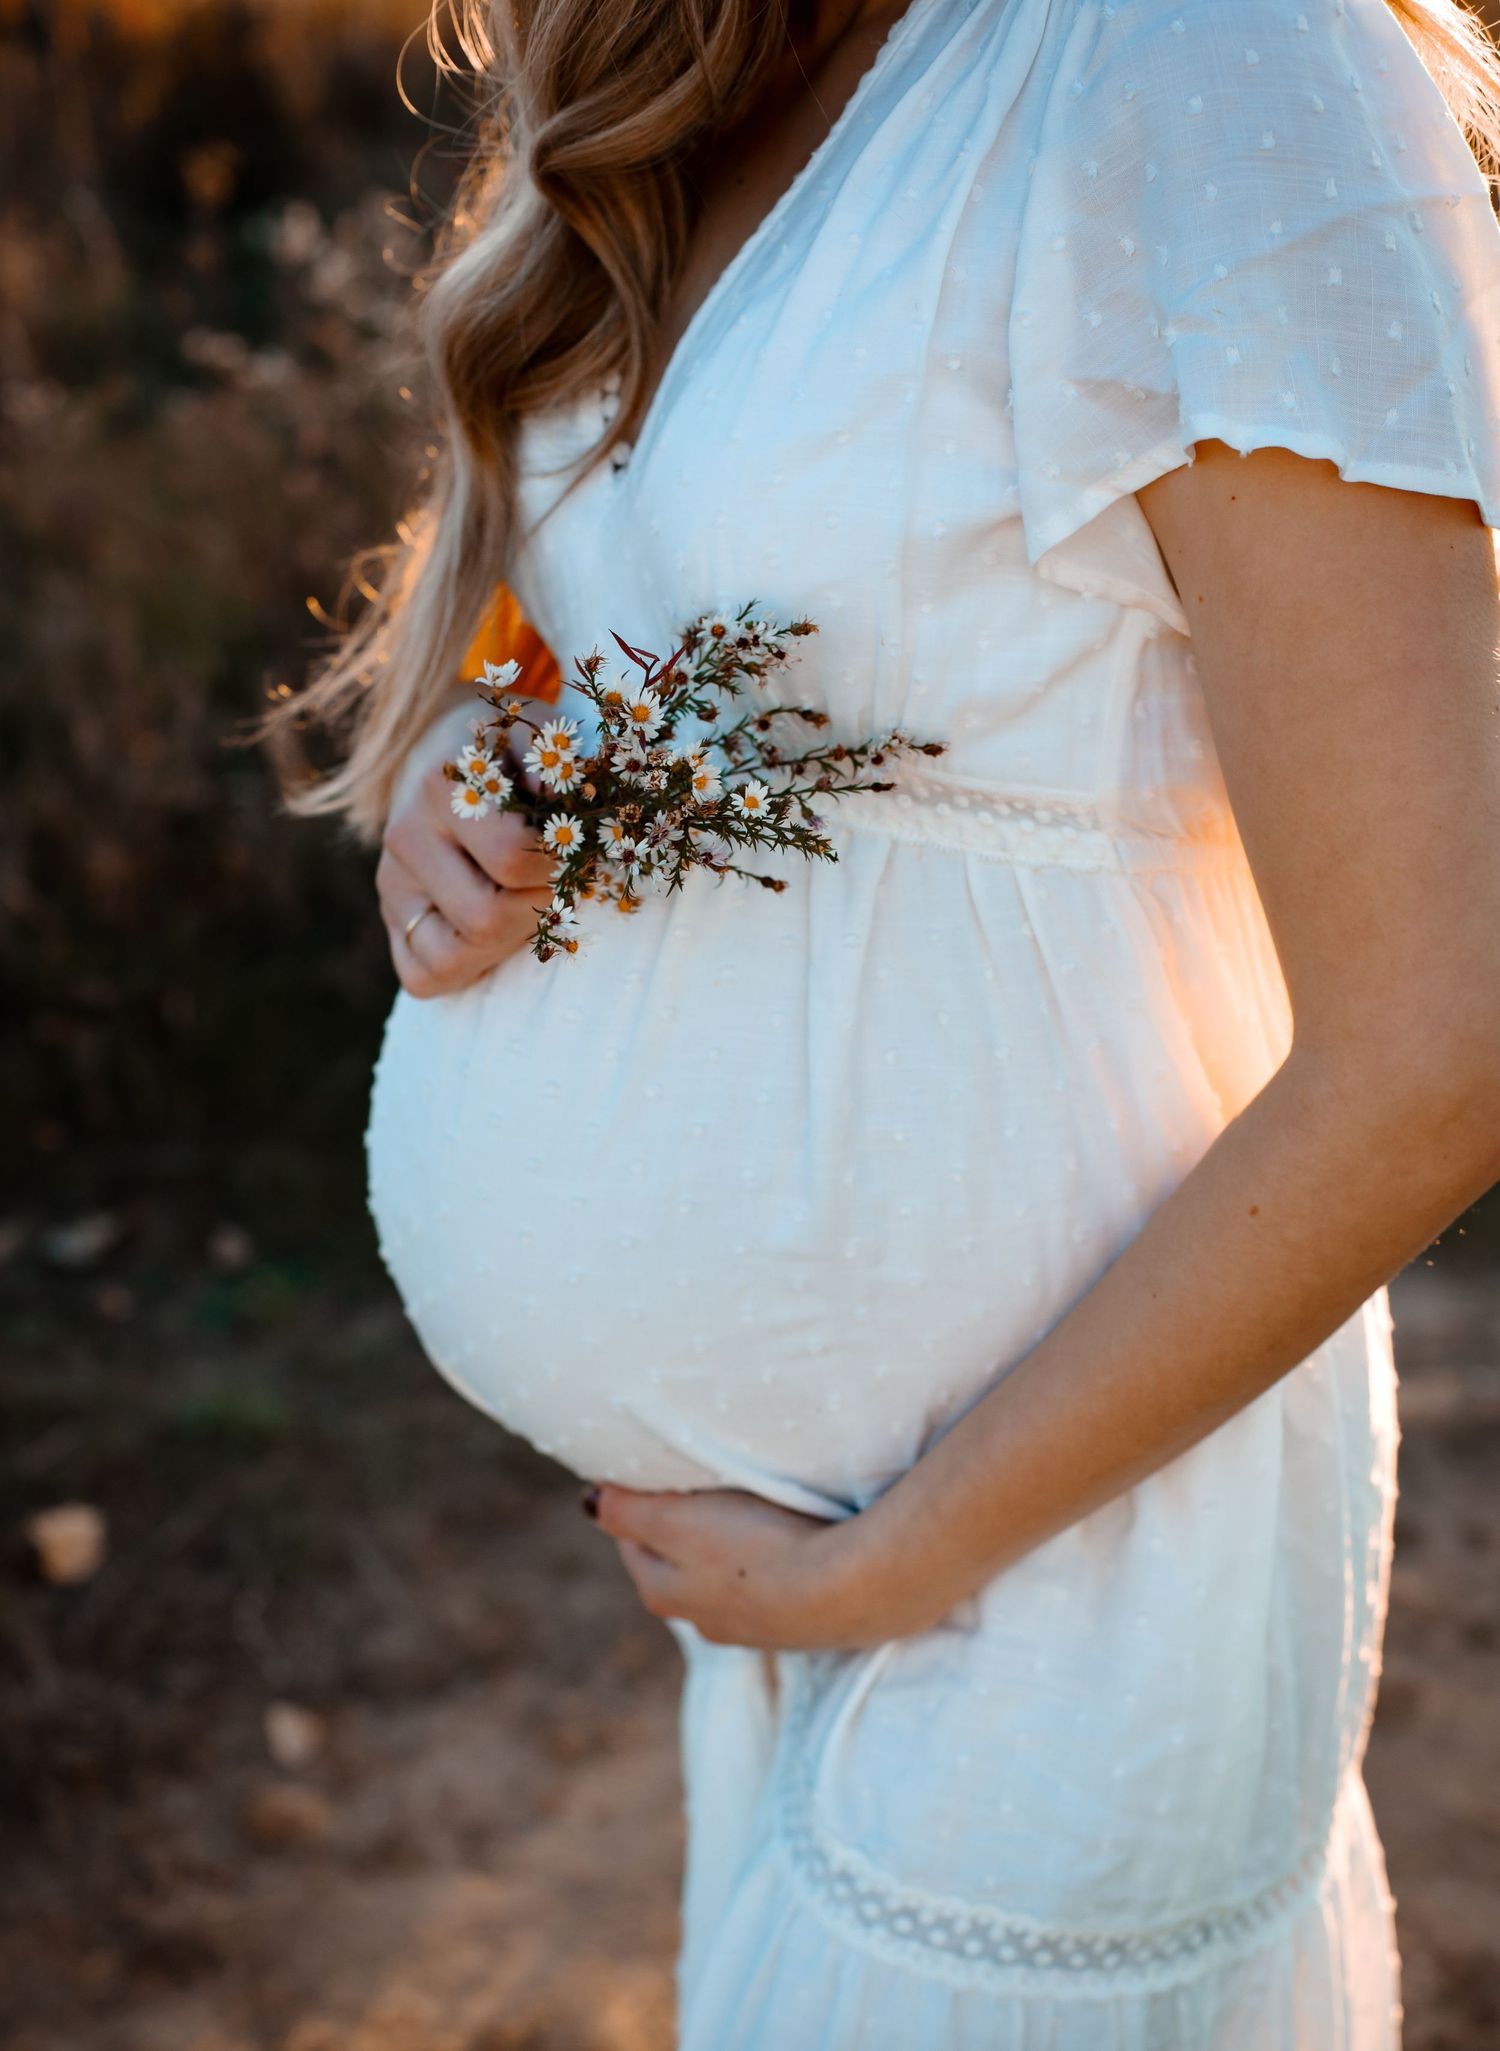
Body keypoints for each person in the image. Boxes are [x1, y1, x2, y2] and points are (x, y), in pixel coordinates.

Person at [273, 0, 1500, 2042]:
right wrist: (485, 773)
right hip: (791, 1597)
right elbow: (681, 623)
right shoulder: (713, 63)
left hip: (1061, 1578)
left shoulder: (1219, 64)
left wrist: (897, 1563)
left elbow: (1446, 1029)